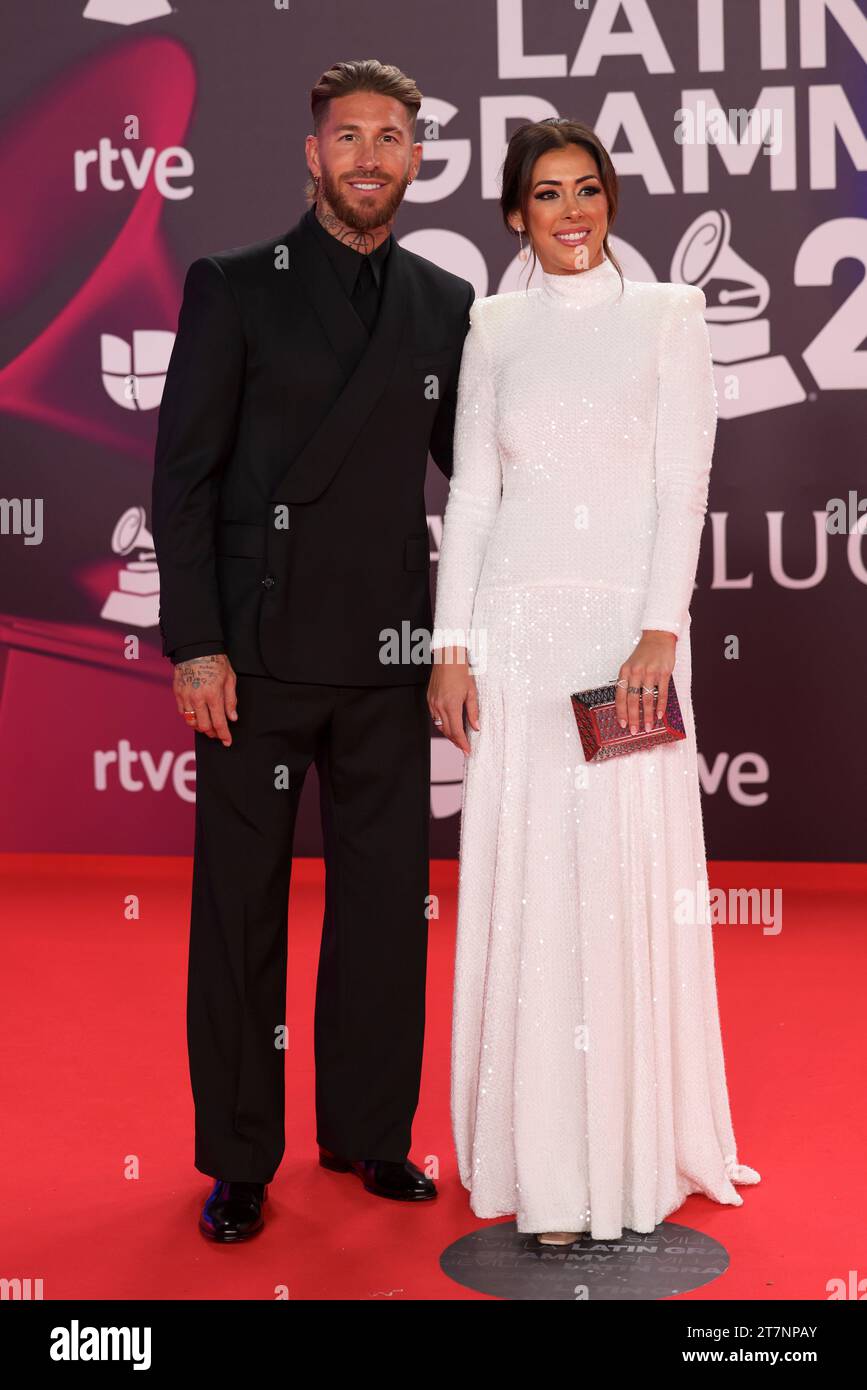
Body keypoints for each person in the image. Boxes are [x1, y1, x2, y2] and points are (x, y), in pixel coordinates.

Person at [152, 59, 474, 1242]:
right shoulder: (234, 287)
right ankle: (239, 1157)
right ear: (313, 152)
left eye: (393, 136)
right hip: (255, 656)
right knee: (240, 910)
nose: (371, 155)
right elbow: (181, 481)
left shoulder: (446, 304)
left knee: (388, 907)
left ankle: (370, 1133)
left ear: (418, 157)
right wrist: (195, 643)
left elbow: (482, 483)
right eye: (351, 135)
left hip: (391, 656)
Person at [428, 118, 760, 1245]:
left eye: (588, 190)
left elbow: (685, 487)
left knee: (620, 883)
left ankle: (627, 1153)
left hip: (625, 642)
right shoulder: (493, 324)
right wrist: (451, 644)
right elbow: (471, 497)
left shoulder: (671, 316)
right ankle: (547, 1171)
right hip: (517, 643)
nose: (572, 212)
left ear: (611, 200)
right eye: (547, 194)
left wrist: (661, 630)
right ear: (515, 214)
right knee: (534, 890)